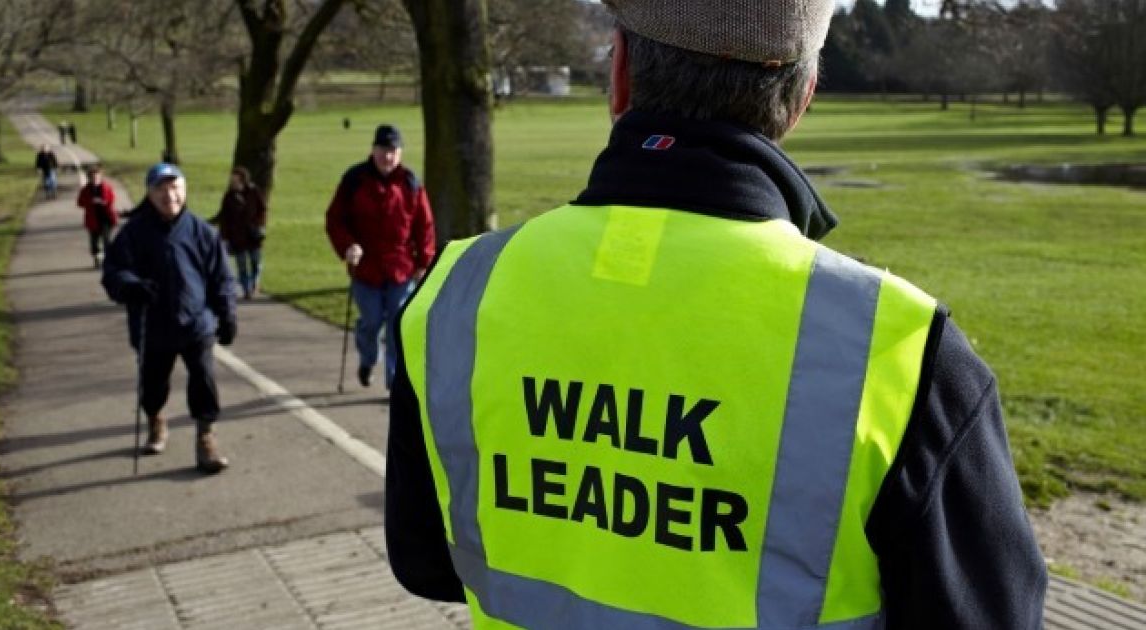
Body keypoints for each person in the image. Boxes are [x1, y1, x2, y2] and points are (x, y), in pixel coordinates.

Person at [385, 2, 1047, 629]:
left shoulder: (455, 291)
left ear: (619, 73)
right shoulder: (900, 350)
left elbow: (427, 561)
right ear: (802, 97)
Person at [102, 163, 236, 474]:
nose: (169, 195)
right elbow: (113, 272)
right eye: (161, 189)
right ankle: (156, 419)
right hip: (152, 326)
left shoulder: (202, 231)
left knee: (203, 378)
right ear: (149, 193)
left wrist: (227, 314)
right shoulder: (133, 233)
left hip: (195, 323)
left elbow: (222, 278)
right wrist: (130, 286)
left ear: (184, 191)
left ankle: (206, 439)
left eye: (175, 188)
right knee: (153, 386)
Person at [324, 124, 435, 390]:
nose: (388, 156)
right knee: (371, 321)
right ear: (373, 150)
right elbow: (335, 219)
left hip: (400, 268)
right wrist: (348, 246)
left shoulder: (411, 183)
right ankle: (368, 358)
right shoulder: (354, 180)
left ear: (400, 153)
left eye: (393, 151)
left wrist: (424, 263)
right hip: (366, 269)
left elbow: (425, 226)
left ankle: (394, 384)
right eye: (383, 150)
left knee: (398, 325)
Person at [211, 167, 267, 299]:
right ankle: (246, 289)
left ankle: (254, 283)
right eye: (232, 180)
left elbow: (262, 209)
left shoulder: (253, 192)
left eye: (235, 180)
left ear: (243, 180)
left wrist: (259, 224)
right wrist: (223, 235)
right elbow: (223, 216)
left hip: (253, 235)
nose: (233, 183)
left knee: (256, 262)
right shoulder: (229, 196)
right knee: (242, 265)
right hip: (237, 237)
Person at [76, 164, 118, 268]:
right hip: (93, 219)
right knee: (94, 241)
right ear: (89, 178)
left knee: (106, 239)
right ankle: (97, 256)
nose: (95, 180)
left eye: (97, 177)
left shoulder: (106, 187)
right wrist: (90, 202)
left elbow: (112, 198)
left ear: (100, 177)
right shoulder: (85, 190)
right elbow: (80, 203)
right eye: (93, 178)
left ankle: (109, 259)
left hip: (106, 218)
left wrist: (104, 202)